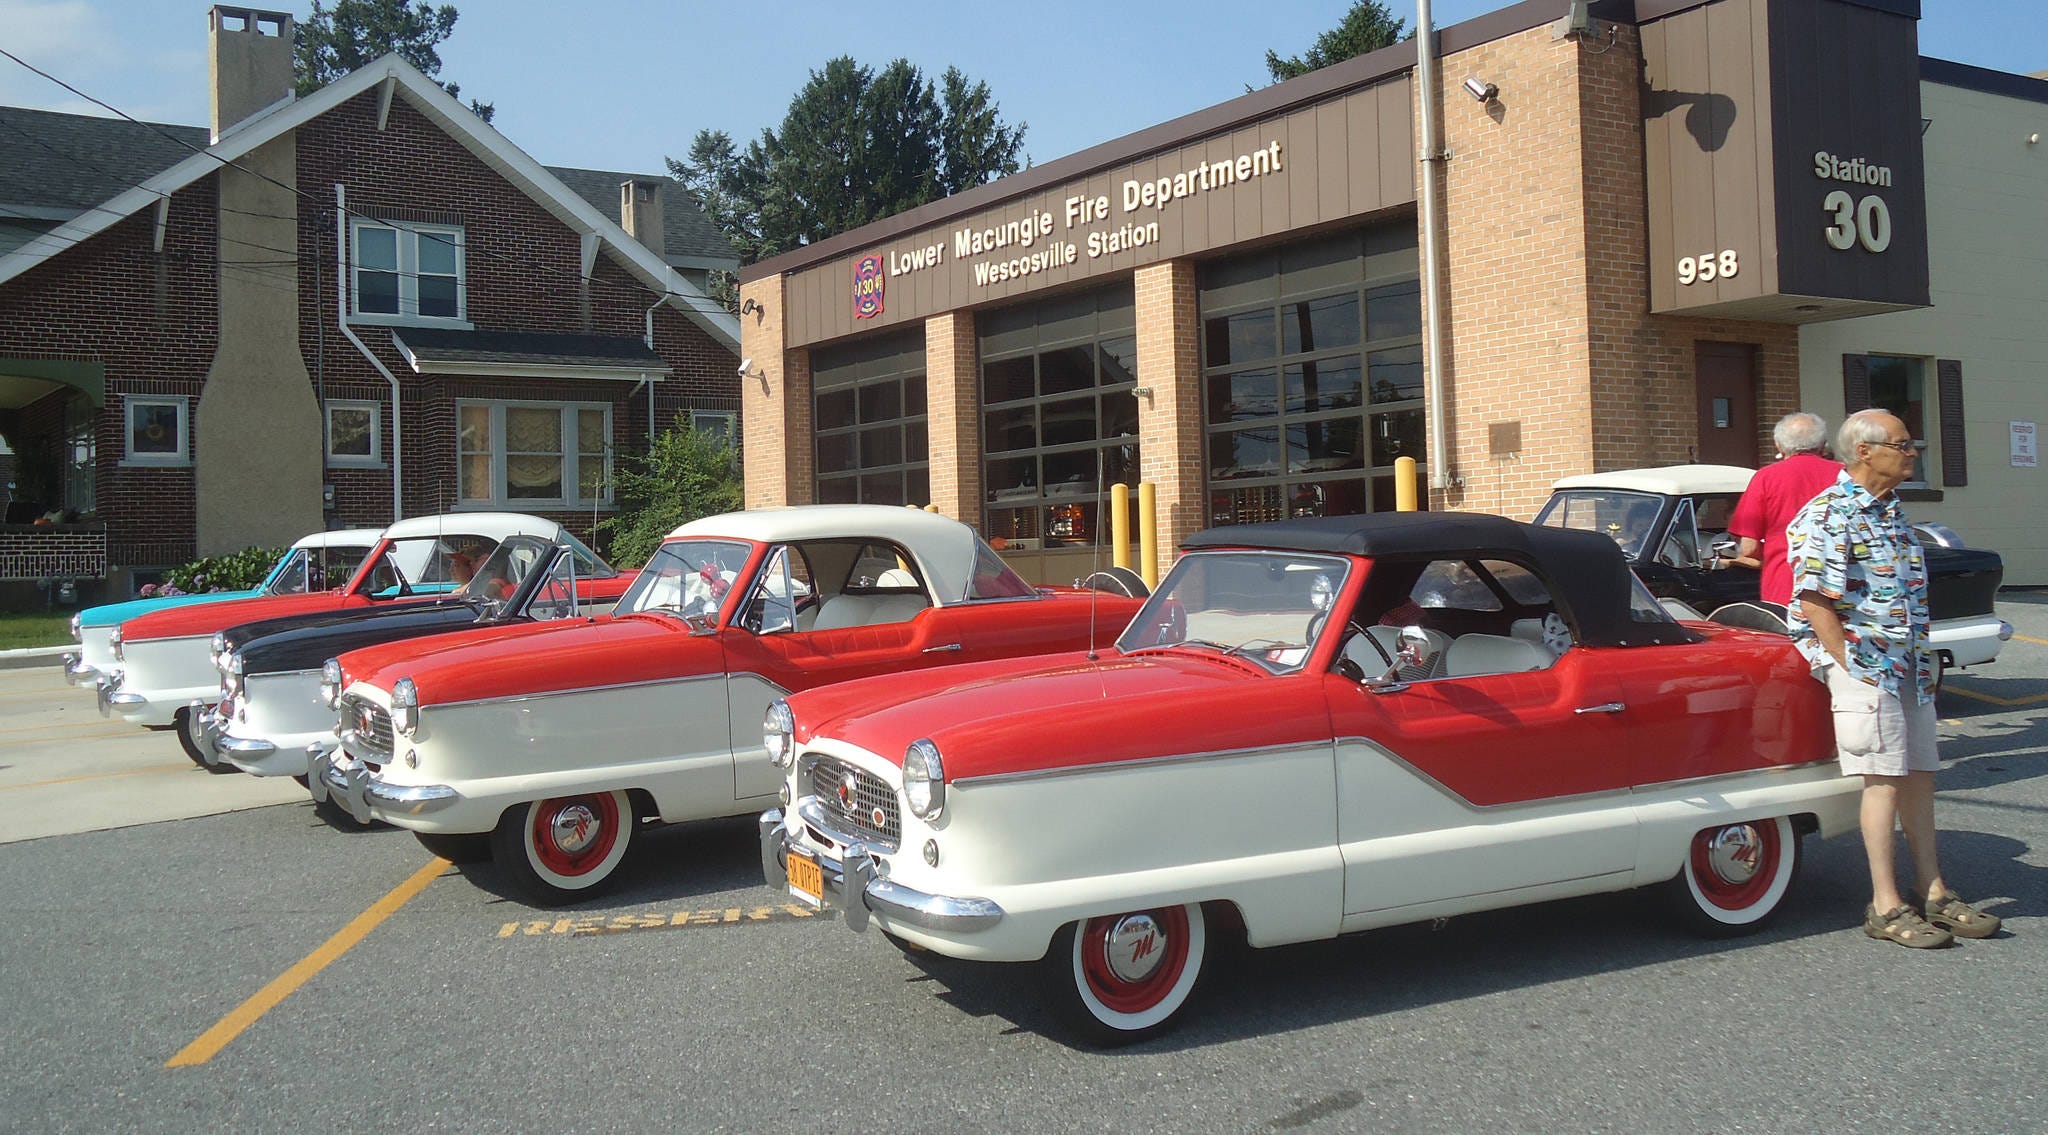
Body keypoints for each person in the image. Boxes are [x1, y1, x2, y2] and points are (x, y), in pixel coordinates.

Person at [1786, 408, 2003, 949]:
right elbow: (1815, 600)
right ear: (1865, 451)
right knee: (1881, 779)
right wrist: (1850, 664)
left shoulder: (1891, 513)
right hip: (1867, 668)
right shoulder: (1830, 514)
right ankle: (1886, 906)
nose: (1913, 453)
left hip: (1908, 663)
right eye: (1904, 445)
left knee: (1920, 772)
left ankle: (1934, 893)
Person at [1723, 411, 1840, 608]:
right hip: (1838, 583)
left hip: (1785, 585)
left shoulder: (1766, 477)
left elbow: (1749, 548)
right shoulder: (1845, 475)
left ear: (1779, 445)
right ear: (1822, 444)